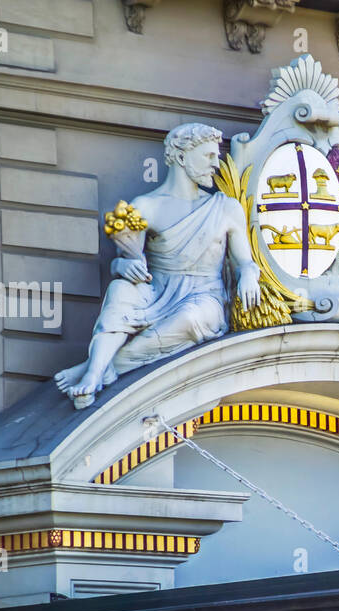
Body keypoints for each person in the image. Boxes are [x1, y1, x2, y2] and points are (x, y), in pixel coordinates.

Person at [54, 123, 261, 408]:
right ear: (181, 156)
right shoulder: (146, 206)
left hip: (205, 296)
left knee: (190, 316)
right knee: (120, 291)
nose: (216, 164)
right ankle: (93, 371)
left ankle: (102, 367)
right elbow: (128, 260)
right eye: (209, 156)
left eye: (217, 156)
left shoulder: (225, 208)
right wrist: (122, 267)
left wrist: (249, 275)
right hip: (158, 290)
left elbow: (245, 262)